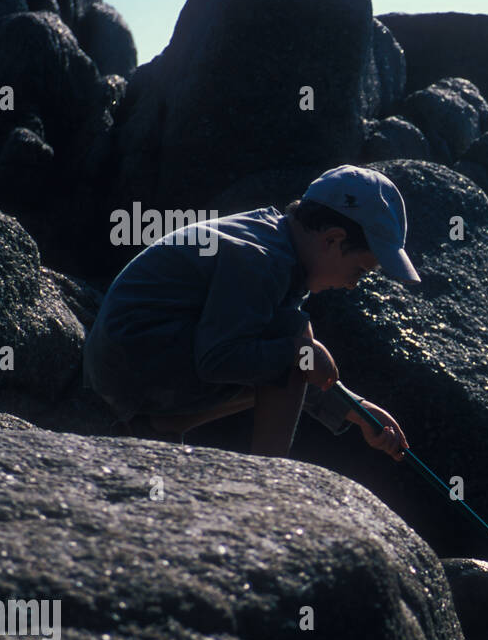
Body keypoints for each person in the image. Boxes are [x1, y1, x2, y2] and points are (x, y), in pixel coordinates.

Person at [83, 165, 414, 460]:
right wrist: (301, 352)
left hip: (130, 359)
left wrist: (357, 411)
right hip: (128, 362)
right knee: (294, 350)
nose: (352, 285)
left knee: (293, 342)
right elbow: (219, 360)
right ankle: (268, 478)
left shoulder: (276, 241)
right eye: (358, 271)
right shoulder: (261, 261)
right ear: (332, 239)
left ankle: (160, 424)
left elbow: (264, 353)